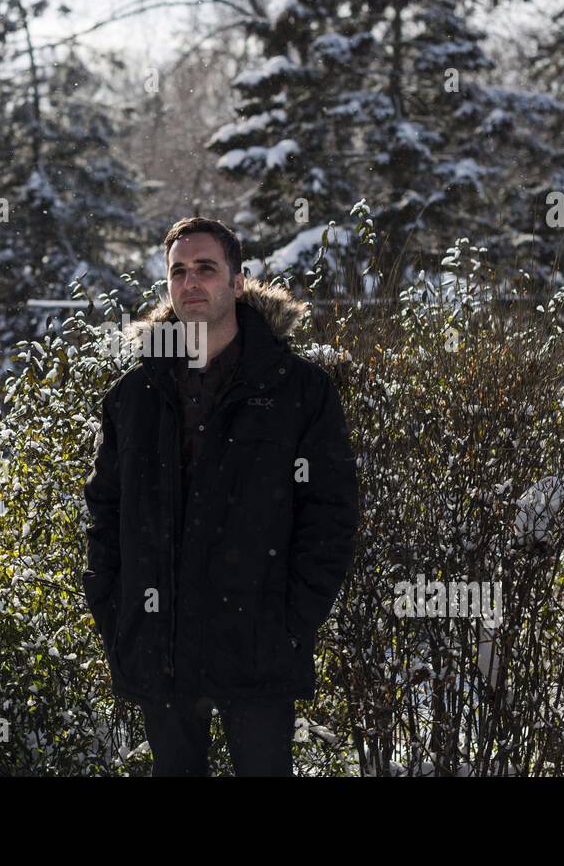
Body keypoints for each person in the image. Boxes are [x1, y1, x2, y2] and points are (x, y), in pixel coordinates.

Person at [82, 216, 360, 776]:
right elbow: (104, 512)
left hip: (258, 646)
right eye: (178, 271)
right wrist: (116, 613)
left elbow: (330, 514)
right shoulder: (133, 396)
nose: (191, 282)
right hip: (161, 648)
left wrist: (293, 616)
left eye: (206, 268)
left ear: (237, 282)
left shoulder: (297, 390)